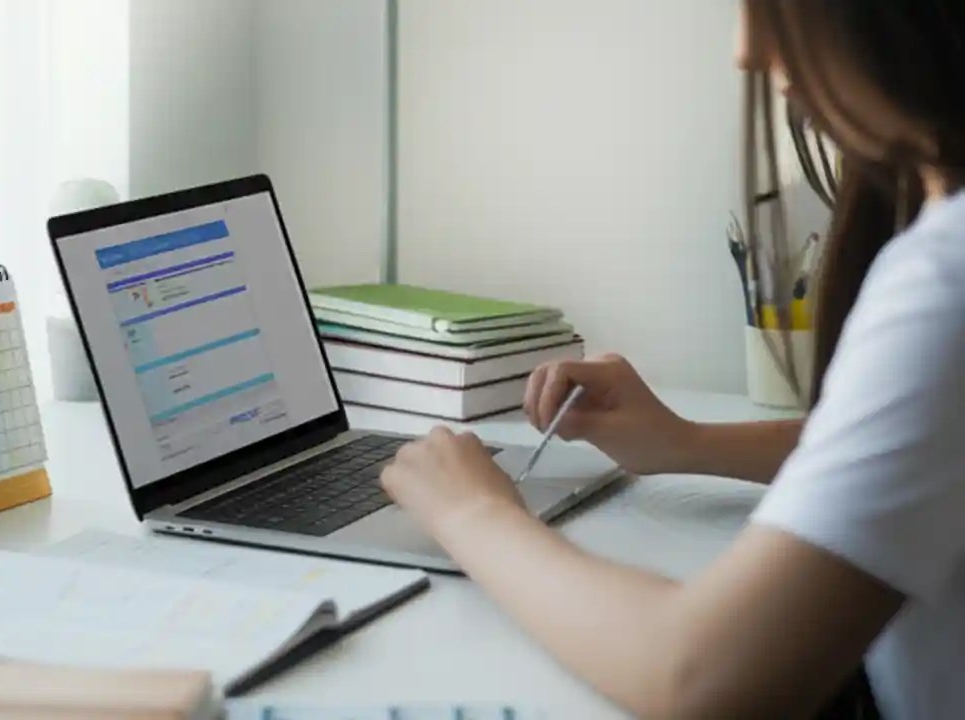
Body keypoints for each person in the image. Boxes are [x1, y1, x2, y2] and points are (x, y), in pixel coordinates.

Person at [380, 2, 965, 718]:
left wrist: (473, 513)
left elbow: (701, 677)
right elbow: (930, 449)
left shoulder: (947, 279)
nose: (747, 52)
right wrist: (685, 442)